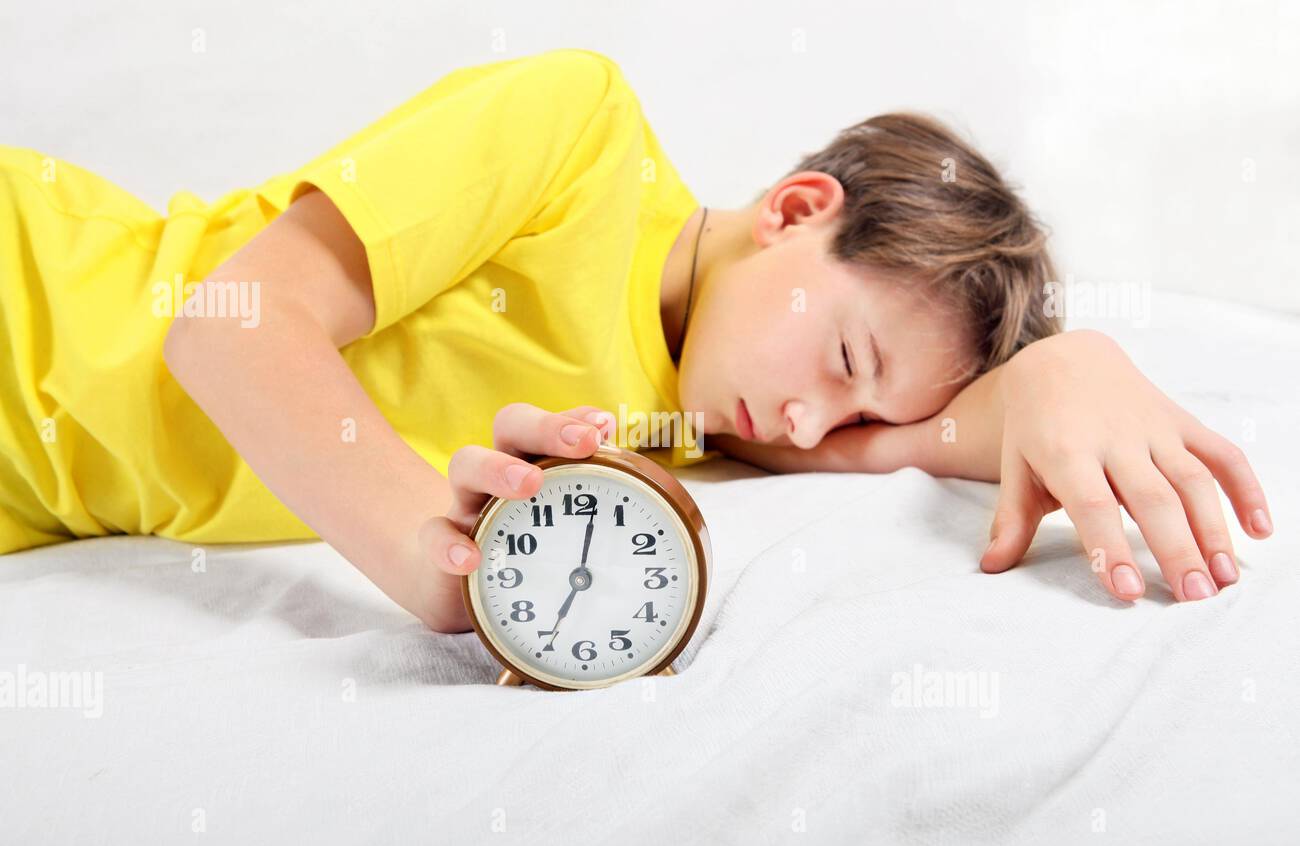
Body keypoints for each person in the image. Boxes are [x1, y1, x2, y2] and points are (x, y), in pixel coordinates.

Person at [0, 48, 1272, 634]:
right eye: (843, 364)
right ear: (794, 211)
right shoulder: (579, 136)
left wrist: (1070, 367)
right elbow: (228, 330)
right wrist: (444, 563)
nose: (808, 431)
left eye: (851, 416)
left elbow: (927, 439)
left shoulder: (694, 426)